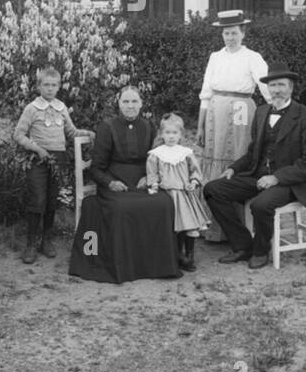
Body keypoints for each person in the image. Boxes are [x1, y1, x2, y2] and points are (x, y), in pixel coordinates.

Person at [203, 63, 306, 270]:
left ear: (291, 88)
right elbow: (252, 152)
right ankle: (243, 245)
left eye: (281, 85)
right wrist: (234, 168)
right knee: (213, 190)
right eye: (272, 85)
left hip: (290, 183)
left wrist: (277, 178)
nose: (276, 90)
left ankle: (260, 250)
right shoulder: (261, 112)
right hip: (258, 175)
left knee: (260, 204)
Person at [68, 86, 179, 283]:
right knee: (123, 207)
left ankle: (157, 265)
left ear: (141, 104)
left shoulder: (148, 126)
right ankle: (126, 266)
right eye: (126, 102)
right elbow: (96, 168)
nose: (130, 106)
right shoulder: (107, 126)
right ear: (119, 104)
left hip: (142, 183)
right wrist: (110, 183)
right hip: (114, 183)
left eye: (134, 102)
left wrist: (149, 176)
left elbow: (154, 158)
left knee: (164, 202)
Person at [196, 10, 271, 242]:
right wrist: (200, 125)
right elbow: (206, 93)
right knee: (213, 158)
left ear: (243, 33)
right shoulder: (215, 57)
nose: (230, 37)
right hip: (215, 111)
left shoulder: (252, 57)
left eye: (234, 33)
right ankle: (214, 228)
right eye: (226, 33)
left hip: (241, 110)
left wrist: (275, 116)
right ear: (222, 34)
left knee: (236, 157)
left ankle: (239, 227)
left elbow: (267, 89)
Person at [13, 66, 79, 264]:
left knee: (51, 200)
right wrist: (37, 149)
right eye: (46, 85)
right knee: (38, 199)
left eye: (54, 85)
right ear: (39, 86)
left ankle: (46, 241)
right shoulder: (32, 108)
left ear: (59, 87)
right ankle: (31, 244)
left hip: (58, 159)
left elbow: (71, 132)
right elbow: (18, 135)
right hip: (38, 159)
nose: (50, 89)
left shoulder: (62, 108)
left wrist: (88, 134)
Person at [146, 113, 208, 272]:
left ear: (180, 134)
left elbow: (195, 170)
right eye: (167, 133)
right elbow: (152, 173)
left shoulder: (185, 153)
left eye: (175, 133)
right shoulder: (156, 154)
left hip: (184, 195)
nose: (171, 136)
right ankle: (176, 254)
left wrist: (194, 182)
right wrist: (153, 185)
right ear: (162, 134)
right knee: (174, 226)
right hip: (167, 195)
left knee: (189, 227)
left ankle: (189, 256)